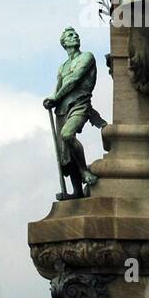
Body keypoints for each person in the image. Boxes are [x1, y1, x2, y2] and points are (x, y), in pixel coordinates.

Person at [43, 27, 105, 198]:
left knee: (67, 135)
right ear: (64, 43)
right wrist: (51, 100)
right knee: (65, 153)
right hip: (62, 108)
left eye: (75, 34)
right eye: (70, 35)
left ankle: (84, 171)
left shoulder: (87, 57)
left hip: (80, 104)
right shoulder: (62, 67)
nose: (75, 36)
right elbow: (58, 87)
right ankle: (77, 191)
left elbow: (75, 79)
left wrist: (55, 97)